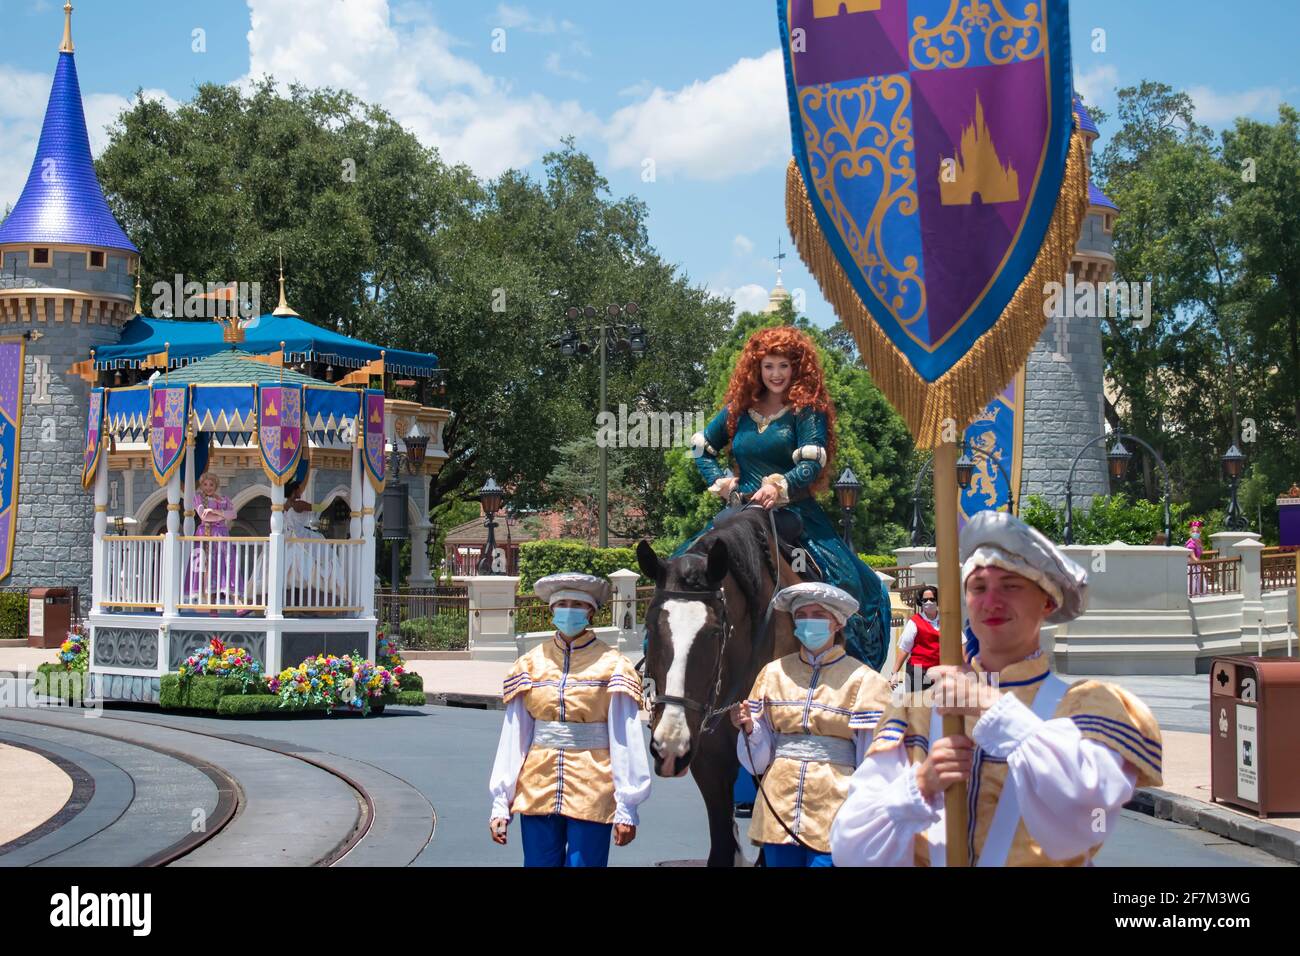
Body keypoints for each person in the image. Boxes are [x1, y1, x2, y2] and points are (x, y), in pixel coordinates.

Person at [830, 511, 1162, 867]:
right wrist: (920, 786)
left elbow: (1082, 823)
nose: (991, 602)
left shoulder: (1086, 706)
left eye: (1011, 586)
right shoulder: (917, 709)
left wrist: (992, 705)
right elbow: (850, 847)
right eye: (978, 588)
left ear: (1047, 602)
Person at [684, 325, 892, 671]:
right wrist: (720, 480)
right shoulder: (738, 409)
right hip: (741, 511)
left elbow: (812, 464)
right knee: (680, 567)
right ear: (757, 368)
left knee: (852, 583)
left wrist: (779, 486)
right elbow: (700, 449)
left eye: (783, 365)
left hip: (796, 513)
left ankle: (854, 670)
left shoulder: (807, 410)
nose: (775, 374)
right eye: (768, 366)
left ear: (797, 367)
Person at [488, 573, 651, 867]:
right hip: (538, 784)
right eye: (561, 603)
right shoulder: (529, 664)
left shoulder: (613, 665)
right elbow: (515, 735)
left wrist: (627, 806)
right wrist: (502, 801)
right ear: (551, 610)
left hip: (593, 785)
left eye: (577, 604)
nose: (568, 610)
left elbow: (625, 737)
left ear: (590, 611)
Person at [730, 582, 892, 867]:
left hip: (835, 807)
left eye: (818, 614)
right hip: (777, 804)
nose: (808, 621)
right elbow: (759, 757)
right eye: (802, 615)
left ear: (837, 623)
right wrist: (749, 729)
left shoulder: (866, 680)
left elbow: (875, 759)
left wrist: (869, 812)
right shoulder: (772, 673)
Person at [187, 471, 240, 611]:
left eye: (211, 484)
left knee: (226, 565)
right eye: (205, 484)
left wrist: (215, 512)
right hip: (206, 534)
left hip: (221, 535)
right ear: (201, 486)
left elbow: (233, 514)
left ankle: (237, 602)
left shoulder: (223, 499)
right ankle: (210, 604)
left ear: (216, 485)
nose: (208, 487)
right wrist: (222, 516)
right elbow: (204, 517)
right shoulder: (198, 498)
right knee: (207, 567)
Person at [893, 585, 941, 691]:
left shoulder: (946, 621)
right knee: (917, 704)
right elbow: (904, 649)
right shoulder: (914, 622)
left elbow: (961, 644)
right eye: (925, 600)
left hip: (939, 672)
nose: (929, 602)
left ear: (937, 601)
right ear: (921, 602)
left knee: (938, 705)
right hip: (917, 672)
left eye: (932, 599)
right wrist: (894, 673)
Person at [1185, 519, 1206, 596]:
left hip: (1197, 565)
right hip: (1191, 566)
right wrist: (1203, 565)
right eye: (1193, 532)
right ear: (1190, 532)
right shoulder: (1190, 543)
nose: (1195, 533)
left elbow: (1200, 554)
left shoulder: (1198, 541)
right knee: (1192, 585)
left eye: (1197, 532)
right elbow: (1194, 557)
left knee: (1200, 585)